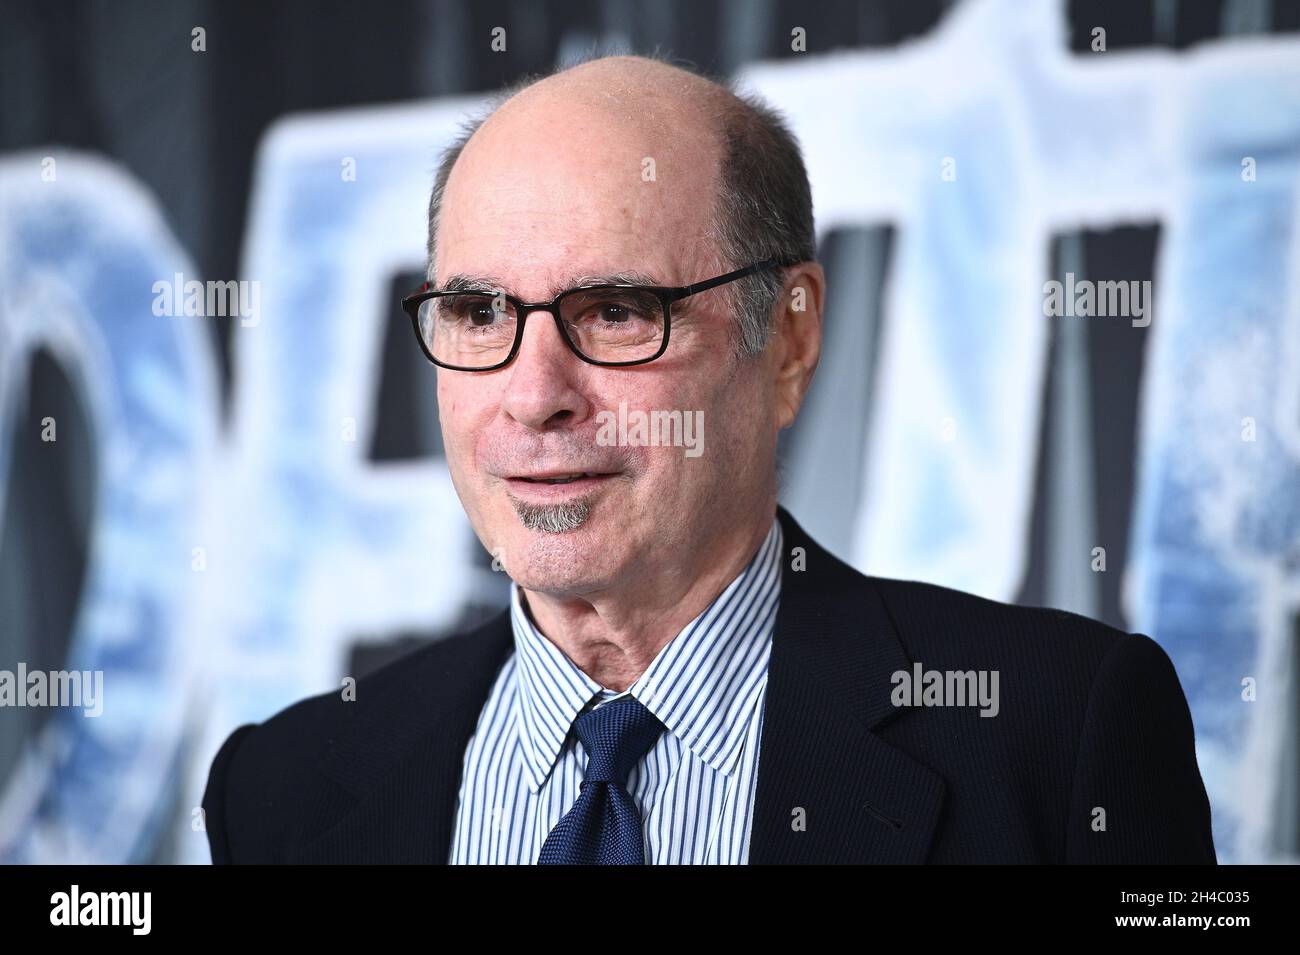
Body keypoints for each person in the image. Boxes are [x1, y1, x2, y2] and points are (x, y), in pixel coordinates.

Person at [202, 54, 1215, 864]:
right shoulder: (288, 787)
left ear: (789, 340)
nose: (534, 393)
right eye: (478, 313)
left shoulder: (1057, 736)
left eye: (616, 311)